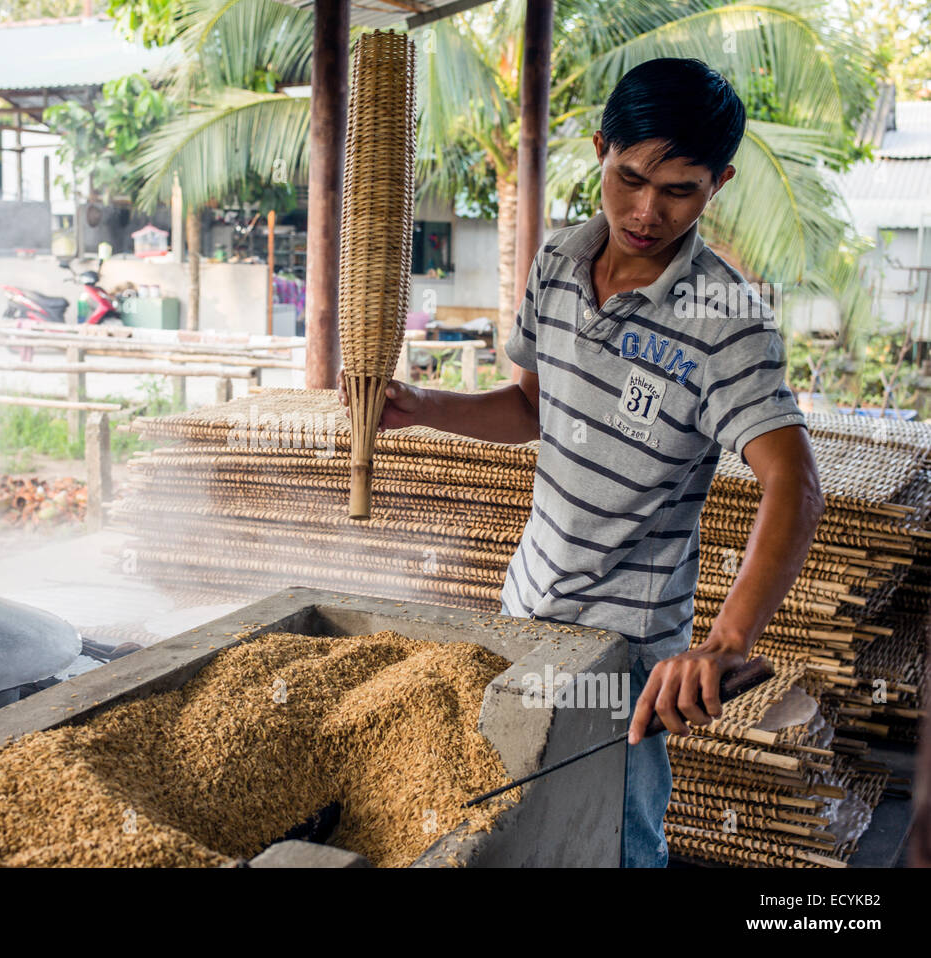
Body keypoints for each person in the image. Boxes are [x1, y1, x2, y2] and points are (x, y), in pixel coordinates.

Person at [338, 57, 824, 867]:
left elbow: (794, 485)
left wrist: (724, 643)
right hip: (526, 608)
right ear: (602, 148)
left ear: (719, 184)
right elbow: (532, 407)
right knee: (517, 826)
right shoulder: (558, 264)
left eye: (679, 190)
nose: (644, 211)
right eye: (629, 177)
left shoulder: (728, 321)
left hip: (626, 647)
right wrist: (426, 410)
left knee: (617, 842)